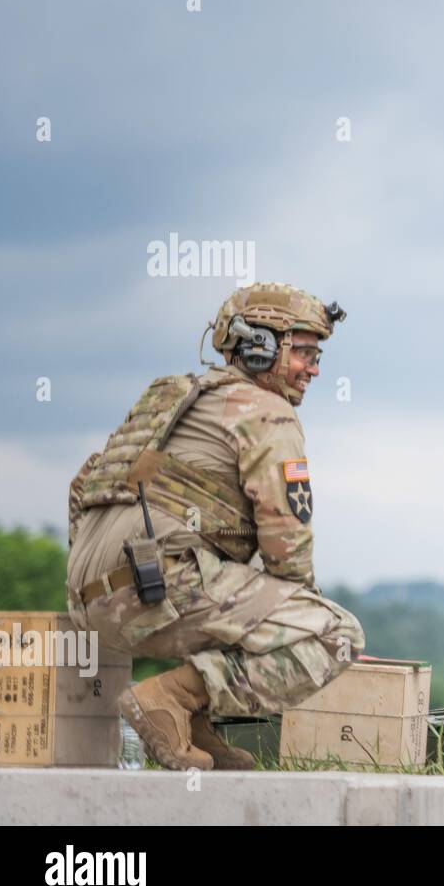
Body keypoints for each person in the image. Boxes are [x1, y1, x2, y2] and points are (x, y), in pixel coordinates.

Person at [66, 283, 364, 770]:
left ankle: (192, 724)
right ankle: (173, 700)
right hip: (153, 594)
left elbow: (84, 486)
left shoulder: (169, 401)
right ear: (262, 347)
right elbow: (287, 550)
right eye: (306, 352)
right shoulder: (267, 412)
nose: (314, 369)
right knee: (335, 634)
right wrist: (300, 610)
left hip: (90, 604)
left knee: (241, 595)